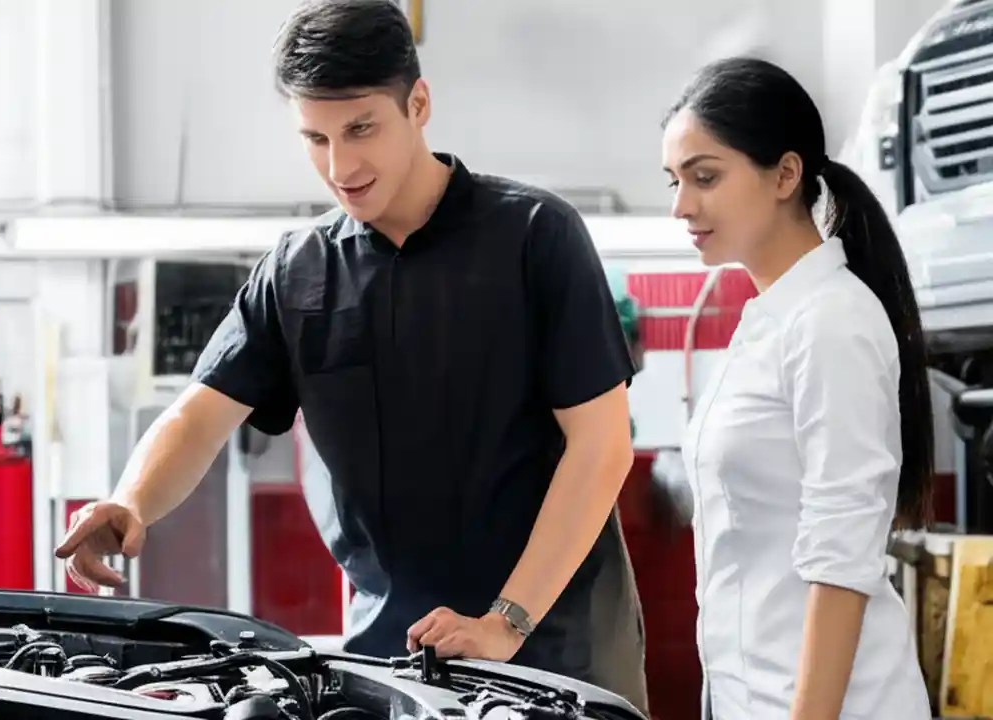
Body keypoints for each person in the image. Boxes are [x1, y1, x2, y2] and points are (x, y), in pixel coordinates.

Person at [56, 0, 647, 711]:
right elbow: (200, 414)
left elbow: (601, 447)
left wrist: (505, 620)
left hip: (555, 647)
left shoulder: (534, 237)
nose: (341, 165)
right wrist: (130, 500)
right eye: (316, 138)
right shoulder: (299, 270)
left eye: (361, 128)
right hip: (393, 655)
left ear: (418, 103)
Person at [661, 57, 933, 719]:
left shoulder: (832, 322)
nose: (680, 206)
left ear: (785, 174)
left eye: (705, 177)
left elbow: (842, 559)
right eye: (674, 181)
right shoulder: (769, 321)